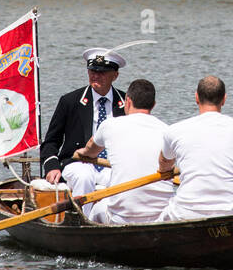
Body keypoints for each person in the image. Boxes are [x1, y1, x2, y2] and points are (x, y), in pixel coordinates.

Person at [71, 78, 174, 224]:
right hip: (161, 218)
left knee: (97, 208)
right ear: (153, 105)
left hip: (121, 218)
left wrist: (82, 153)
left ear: (128, 101)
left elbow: (90, 151)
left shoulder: (109, 125)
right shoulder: (167, 131)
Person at [40, 46, 129, 205]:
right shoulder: (70, 101)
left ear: (115, 75)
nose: (96, 76)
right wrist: (52, 167)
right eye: (92, 71)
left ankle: (116, 221)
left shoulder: (127, 102)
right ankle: (84, 221)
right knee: (84, 176)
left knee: (121, 179)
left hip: (113, 165)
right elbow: (51, 142)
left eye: (101, 72)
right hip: (77, 163)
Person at [157, 75, 233, 222]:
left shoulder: (174, 130)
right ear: (224, 99)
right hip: (231, 211)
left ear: (196, 98)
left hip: (186, 213)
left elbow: (164, 164)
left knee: (161, 215)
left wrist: (164, 171)